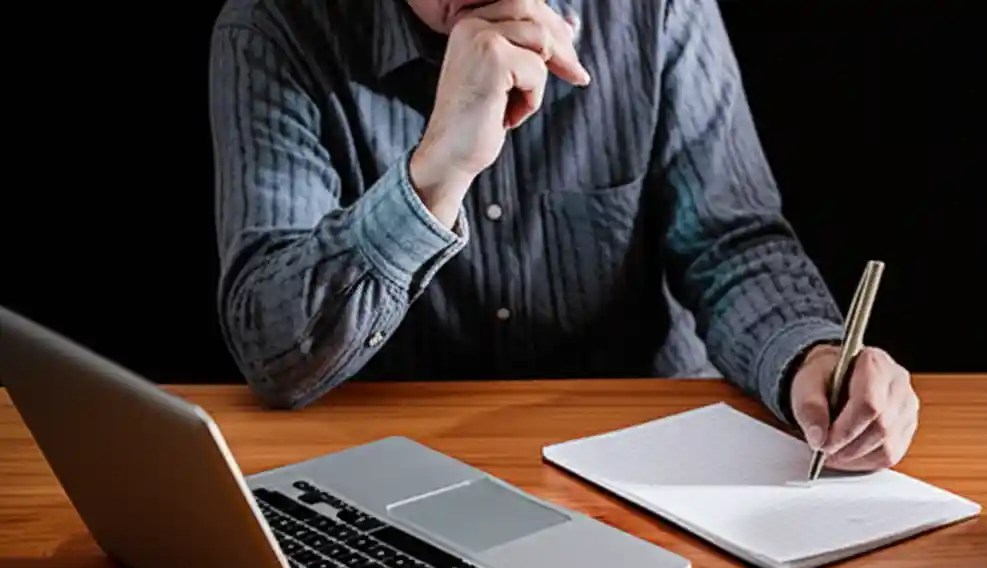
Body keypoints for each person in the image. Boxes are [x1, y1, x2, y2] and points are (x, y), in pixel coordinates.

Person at [207, 0, 920, 471]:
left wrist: (811, 357)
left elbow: (729, 243)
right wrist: (438, 170)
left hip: (646, 469)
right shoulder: (274, 28)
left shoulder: (658, 11)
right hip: (392, 474)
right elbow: (275, 353)